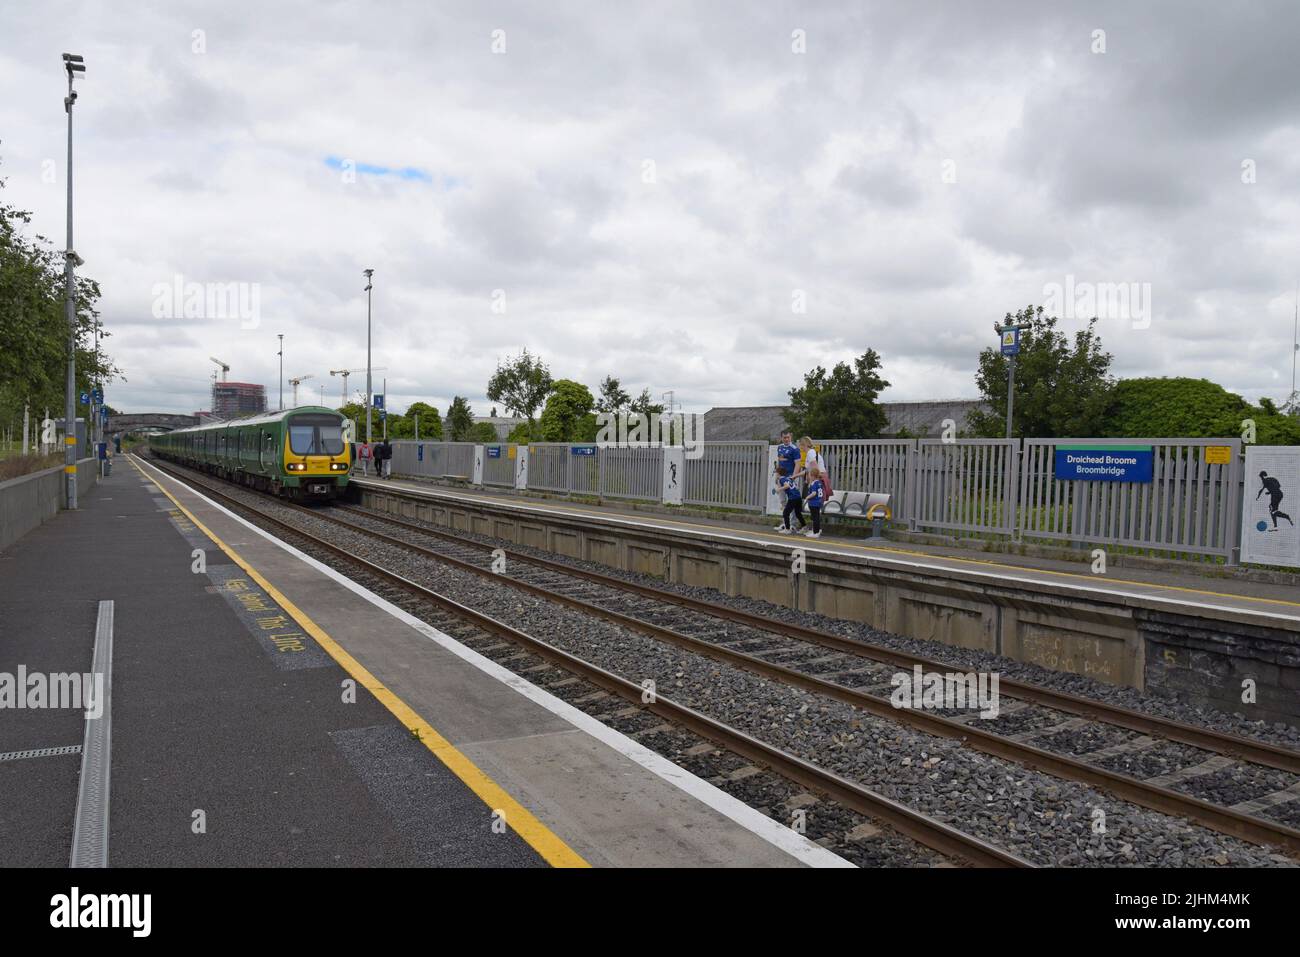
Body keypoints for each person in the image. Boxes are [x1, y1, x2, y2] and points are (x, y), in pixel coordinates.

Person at [774, 464, 806, 534]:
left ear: (778, 474)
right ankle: (804, 527)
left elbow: (787, 486)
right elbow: (795, 487)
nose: (775, 474)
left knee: (786, 513)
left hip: (793, 498)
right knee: (798, 513)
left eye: (776, 473)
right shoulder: (788, 478)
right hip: (798, 497)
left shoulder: (781, 479)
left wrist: (779, 489)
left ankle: (787, 529)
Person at [803, 465, 826, 539]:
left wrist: (807, 497)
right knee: (817, 517)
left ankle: (815, 532)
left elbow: (814, 493)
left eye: (809, 475)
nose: (809, 477)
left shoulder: (814, 484)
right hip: (819, 502)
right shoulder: (819, 482)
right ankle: (817, 530)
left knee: (815, 518)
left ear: (812, 476)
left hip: (813, 503)